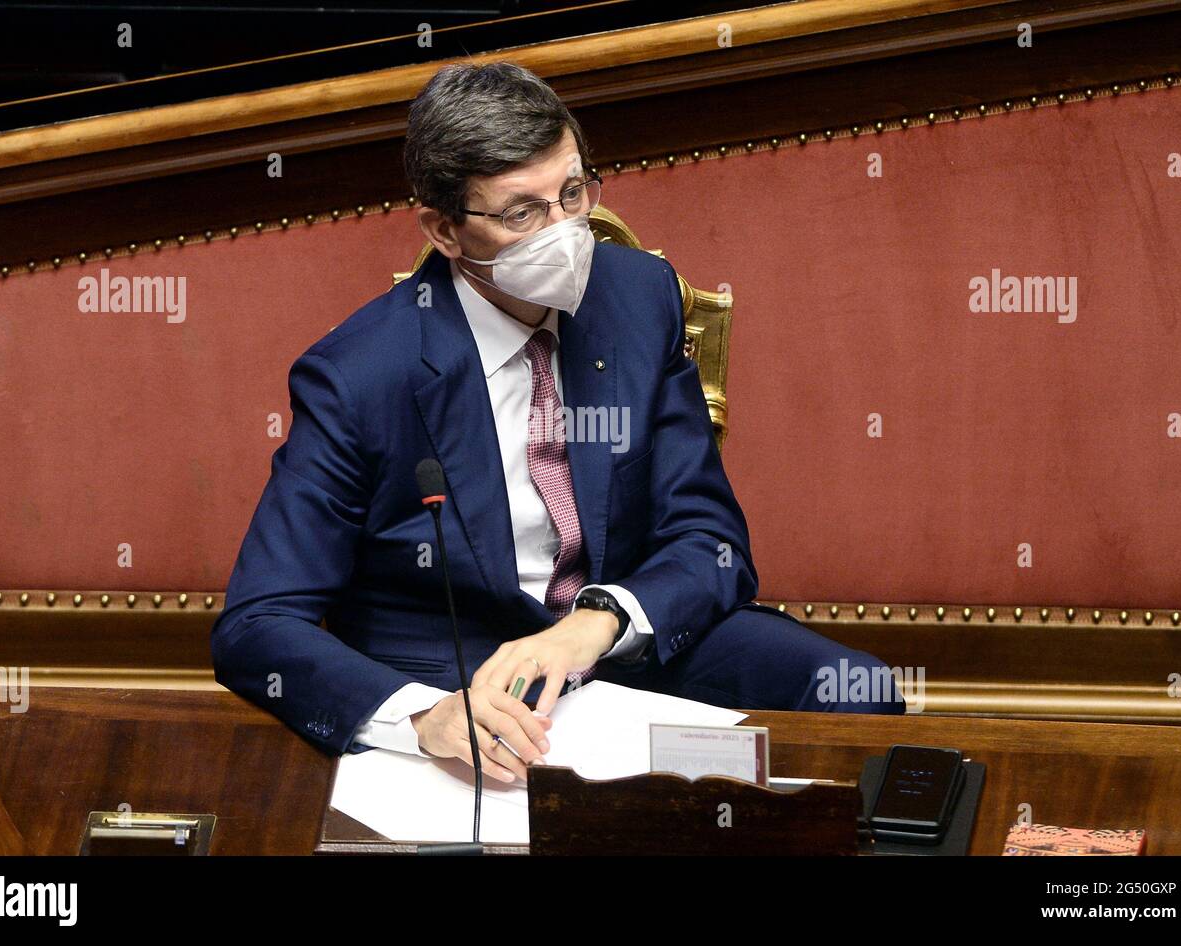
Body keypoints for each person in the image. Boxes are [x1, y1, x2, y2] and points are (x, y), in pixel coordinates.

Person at [211, 61, 904, 787]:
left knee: (855, 691)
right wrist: (423, 719)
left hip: (620, 646)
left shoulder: (638, 300)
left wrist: (595, 624)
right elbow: (257, 625)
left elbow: (709, 540)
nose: (565, 229)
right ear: (445, 230)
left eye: (572, 193)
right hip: (462, 683)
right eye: (522, 213)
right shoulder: (359, 375)